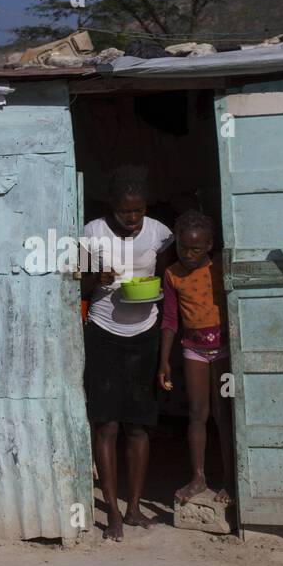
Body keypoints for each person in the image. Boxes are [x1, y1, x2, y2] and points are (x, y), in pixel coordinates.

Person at [80, 165, 174, 541]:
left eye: (139, 210)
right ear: (111, 206)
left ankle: (134, 507)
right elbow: (78, 281)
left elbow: (167, 281)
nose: (133, 218)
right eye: (125, 211)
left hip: (146, 335)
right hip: (104, 333)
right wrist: (95, 278)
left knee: (138, 425)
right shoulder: (92, 232)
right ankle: (113, 513)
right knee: (107, 424)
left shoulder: (159, 233)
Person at [157, 210, 235, 506]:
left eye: (196, 249)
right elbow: (170, 319)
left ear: (210, 245)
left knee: (224, 414)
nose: (188, 255)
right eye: (182, 248)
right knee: (197, 414)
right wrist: (164, 360)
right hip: (193, 350)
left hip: (225, 349)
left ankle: (231, 479)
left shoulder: (219, 268)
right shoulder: (172, 274)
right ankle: (198, 477)